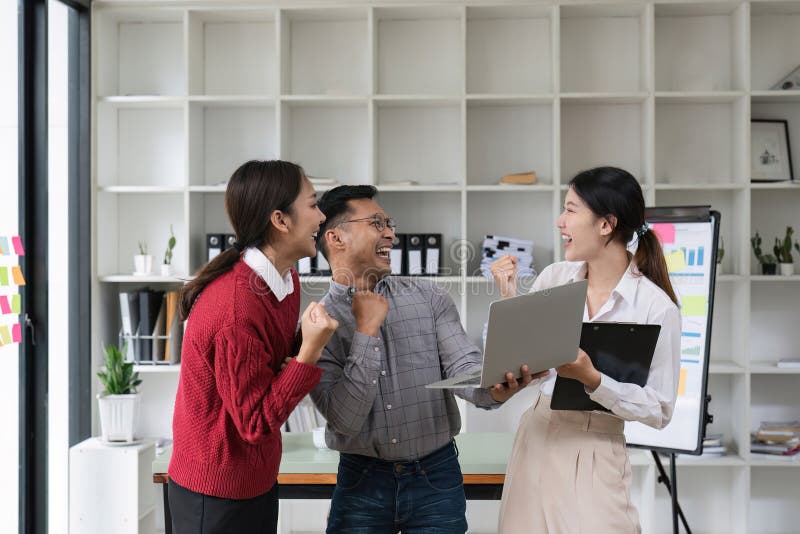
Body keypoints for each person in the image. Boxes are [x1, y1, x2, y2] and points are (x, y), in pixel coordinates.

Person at [307, 185, 545, 534]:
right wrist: (366, 332)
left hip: (436, 476)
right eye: (376, 223)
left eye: (389, 223)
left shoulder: (429, 296)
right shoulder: (318, 325)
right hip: (362, 483)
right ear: (336, 237)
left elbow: (465, 369)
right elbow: (345, 420)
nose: (390, 233)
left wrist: (496, 388)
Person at [491, 166, 681, 534]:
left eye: (570, 209)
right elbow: (531, 366)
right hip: (537, 436)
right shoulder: (555, 277)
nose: (560, 221)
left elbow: (659, 410)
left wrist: (594, 380)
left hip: (597, 447)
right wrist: (510, 299)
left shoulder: (656, 308)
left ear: (606, 224)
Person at [167, 160, 339, 534]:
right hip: (214, 495)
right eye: (313, 204)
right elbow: (255, 423)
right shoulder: (236, 308)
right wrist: (308, 352)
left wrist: (301, 345)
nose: (322, 217)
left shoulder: (285, 280)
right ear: (280, 220)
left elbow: (268, 368)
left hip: (255, 481)